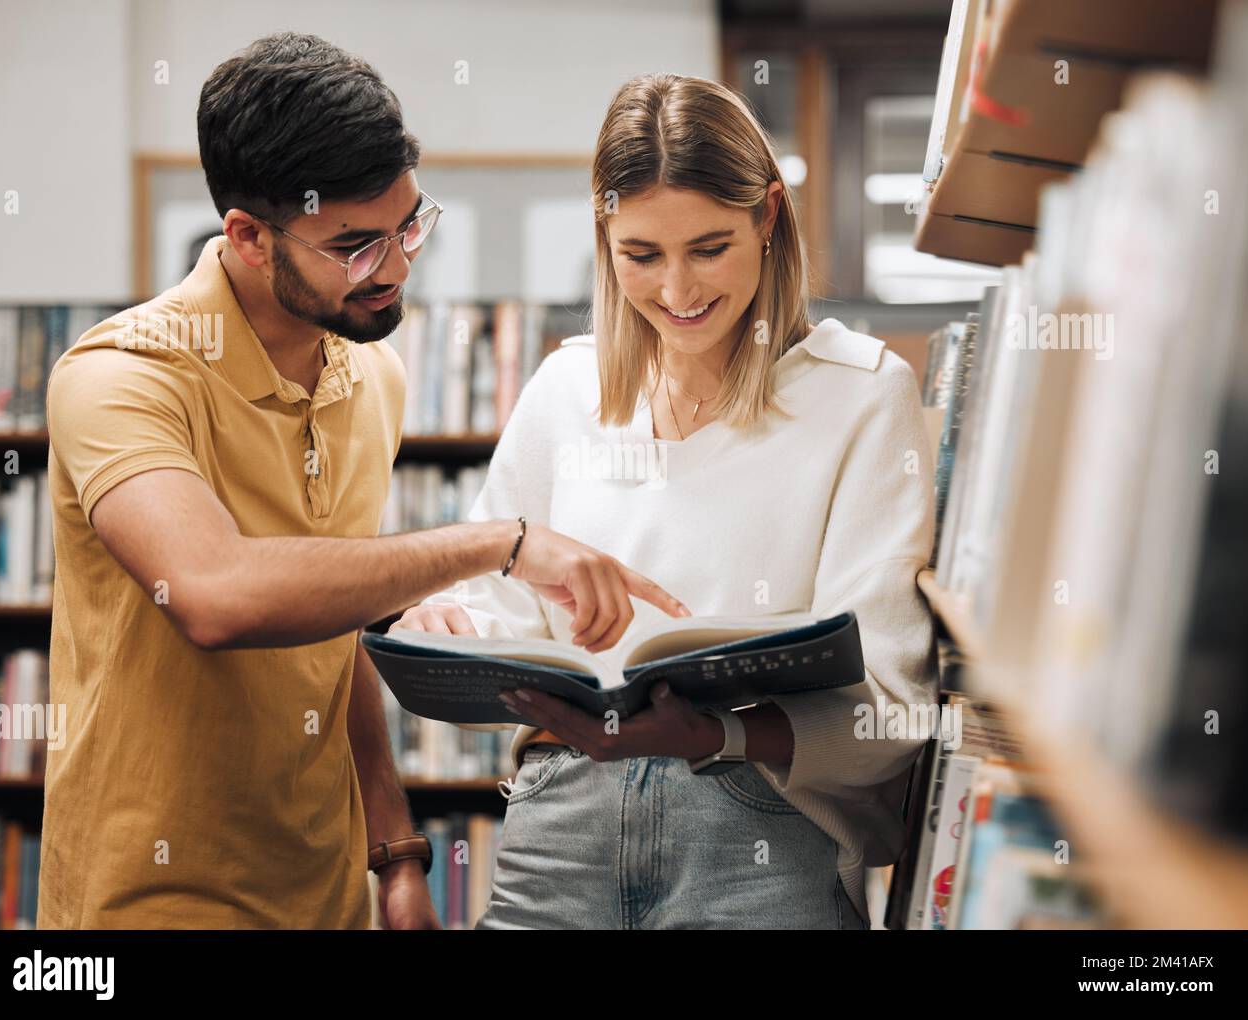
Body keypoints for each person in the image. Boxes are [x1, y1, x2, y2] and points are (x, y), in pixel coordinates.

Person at [37, 33, 685, 931]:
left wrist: (395, 852)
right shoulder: (121, 377)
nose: (397, 267)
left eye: (410, 225)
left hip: (329, 891)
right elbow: (218, 596)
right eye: (354, 246)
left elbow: (331, 628)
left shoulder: (369, 375)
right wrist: (503, 544)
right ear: (249, 238)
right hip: (154, 901)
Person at [392, 72, 938, 930]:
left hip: (754, 832)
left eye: (709, 248)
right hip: (558, 820)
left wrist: (715, 735)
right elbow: (492, 609)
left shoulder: (864, 397)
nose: (677, 292)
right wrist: (449, 624)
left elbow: (891, 714)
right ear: (605, 237)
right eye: (640, 255)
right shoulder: (565, 386)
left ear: (766, 216)